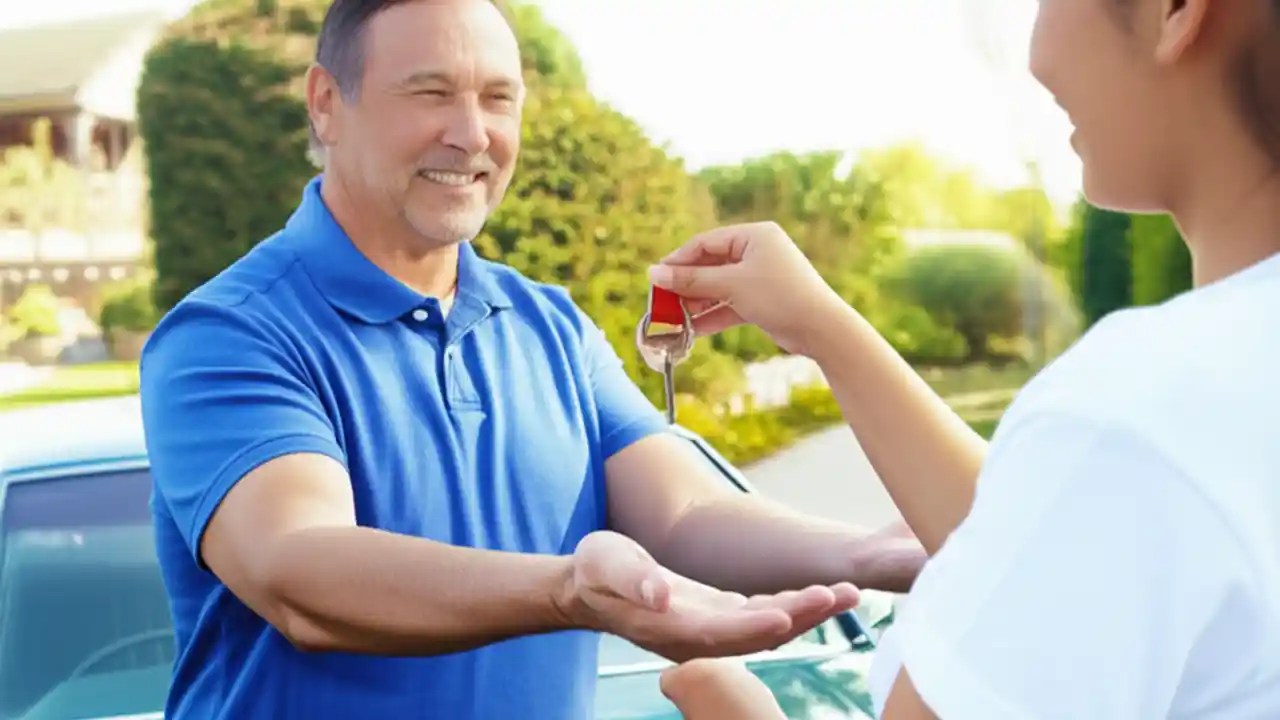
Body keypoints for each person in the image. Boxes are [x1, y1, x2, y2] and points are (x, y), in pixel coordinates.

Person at [138, 1, 927, 719]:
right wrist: (565, 591)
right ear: (325, 102)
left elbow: (684, 513)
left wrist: (867, 553)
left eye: (498, 98)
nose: (472, 133)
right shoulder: (229, 334)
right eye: (430, 93)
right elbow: (301, 572)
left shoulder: (549, 325)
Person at [647, 0, 1280, 716]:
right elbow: (1054, 544)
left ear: (1177, 10)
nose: (1034, 50)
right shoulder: (1177, 415)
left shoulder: (1137, 410)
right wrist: (820, 327)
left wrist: (725, 700)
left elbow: (1086, 504)